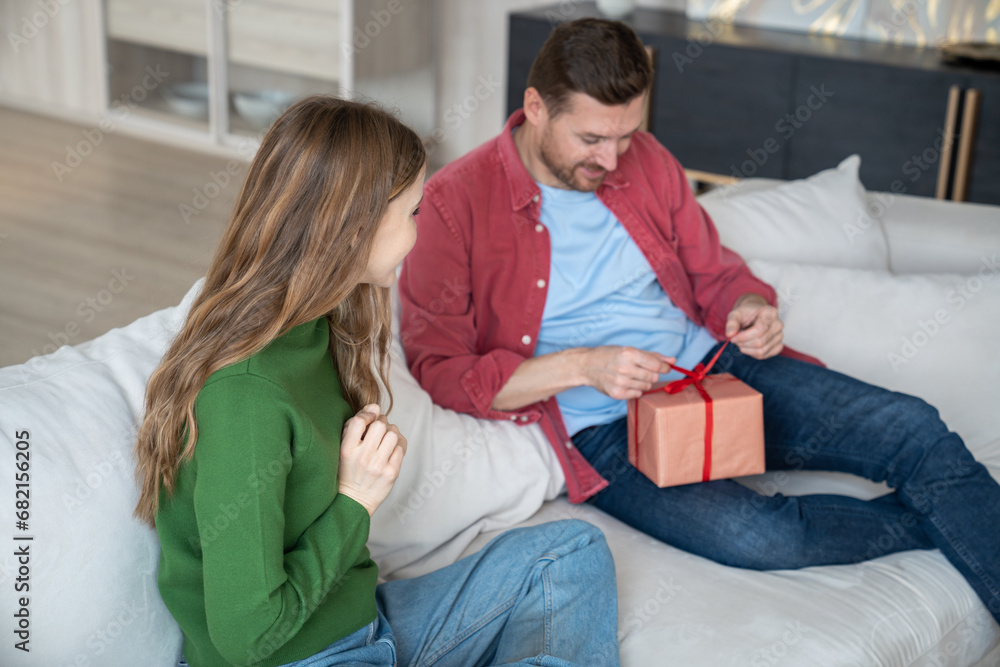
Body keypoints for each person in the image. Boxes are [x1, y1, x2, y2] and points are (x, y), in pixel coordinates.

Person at [398, 18, 1000, 626]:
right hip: (606, 429)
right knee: (763, 539)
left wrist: (748, 308)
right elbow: (443, 371)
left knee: (914, 427)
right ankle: (959, 509)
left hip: (712, 370)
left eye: (626, 135)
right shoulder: (454, 205)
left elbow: (715, 273)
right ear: (535, 108)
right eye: (591, 139)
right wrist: (583, 366)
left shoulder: (649, 162)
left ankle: (961, 507)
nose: (611, 158)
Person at [133, 96, 621, 667]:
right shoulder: (245, 398)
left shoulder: (319, 328)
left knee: (570, 551)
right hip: (299, 658)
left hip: (367, 623)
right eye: (413, 213)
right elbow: (245, 636)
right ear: (354, 226)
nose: (419, 234)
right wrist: (355, 500)